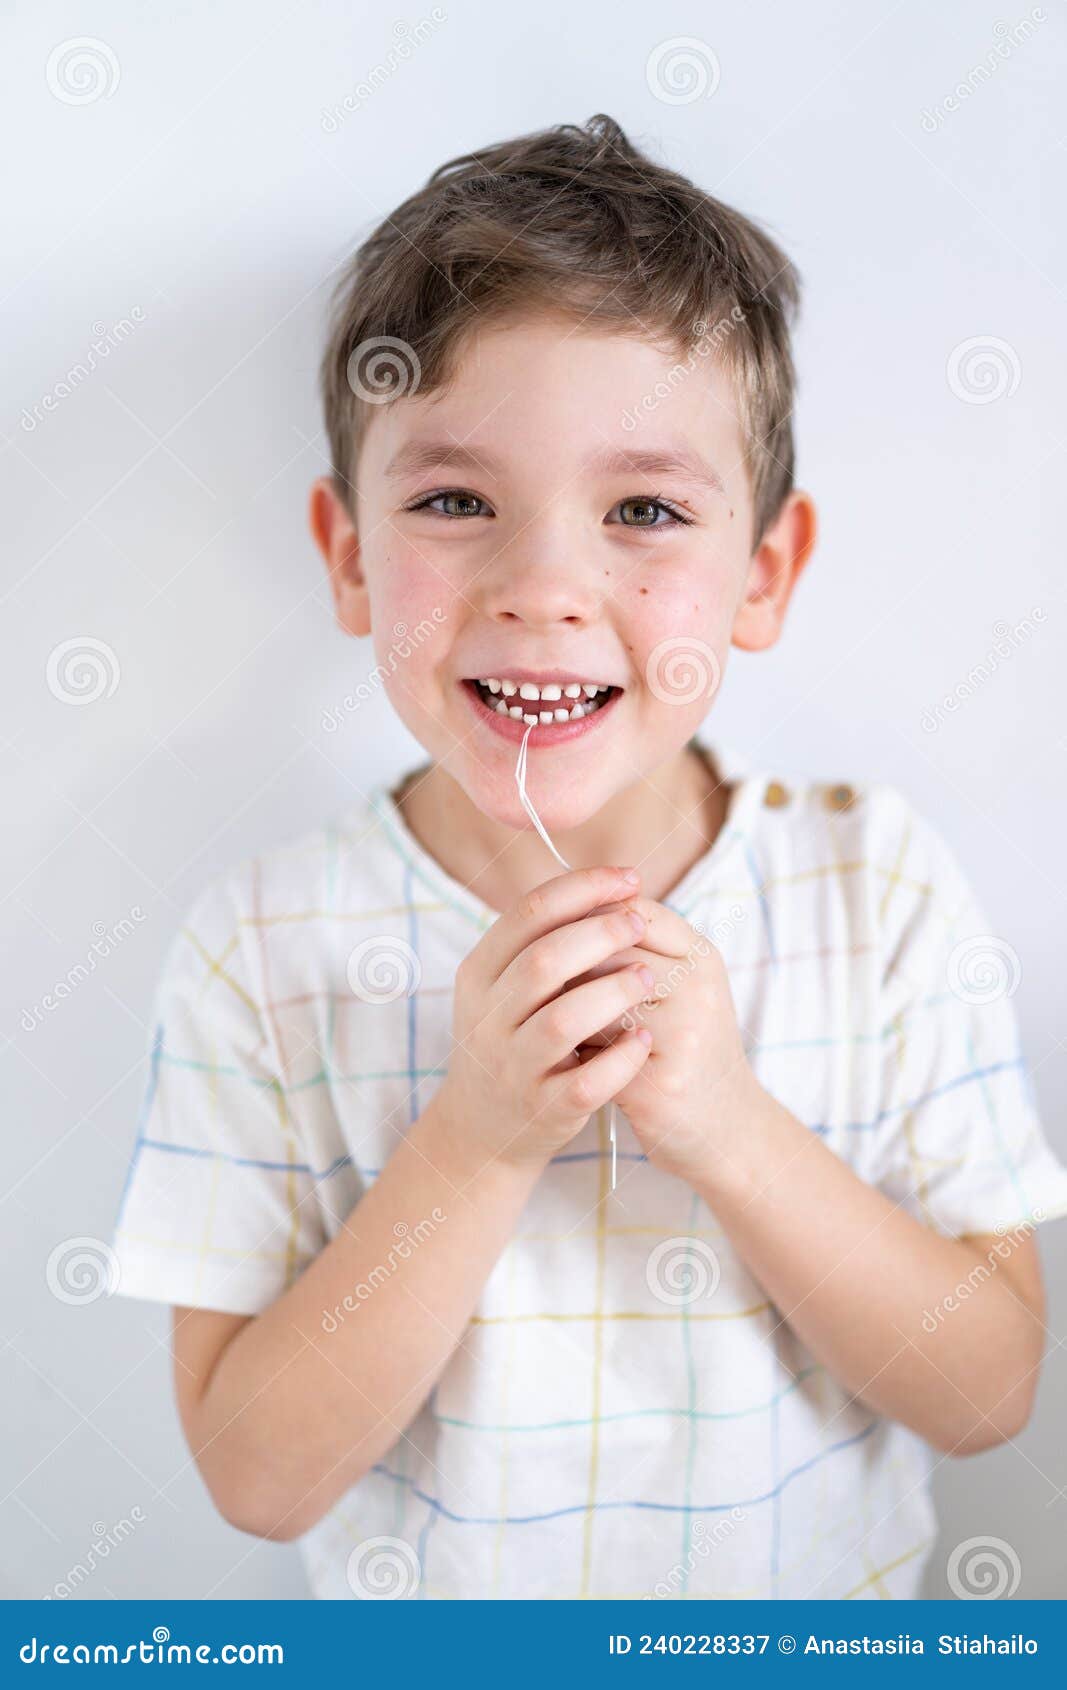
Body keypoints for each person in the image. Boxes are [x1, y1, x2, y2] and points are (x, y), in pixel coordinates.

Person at [112, 114, 1067, 1600]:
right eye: (453, 501)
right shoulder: (264, 946)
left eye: (643, 510)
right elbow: (256, 1471)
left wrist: (733, 1128)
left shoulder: (873, 888)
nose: (546, 588)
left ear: (764, 573)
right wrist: (476, 1142)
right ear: (352, 555)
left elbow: (988, 1389)